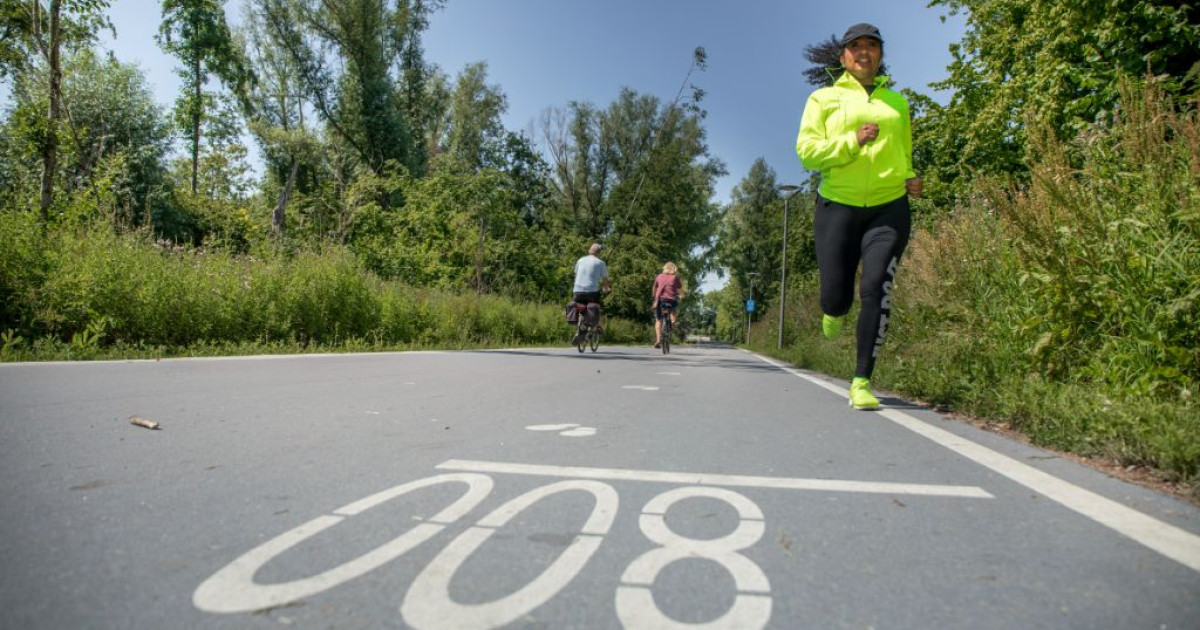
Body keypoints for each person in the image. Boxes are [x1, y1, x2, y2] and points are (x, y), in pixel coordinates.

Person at [795, 22, 922, 410]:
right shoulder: (823, 99)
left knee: (875, 288)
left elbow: (903, 152)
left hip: (888, 208)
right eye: (856, 47)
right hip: (838, 206)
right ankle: (833, 311)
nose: (864, 52)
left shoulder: (897, 103)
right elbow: (808, 153)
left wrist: (909, 178)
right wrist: (852, 141)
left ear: (880, 55)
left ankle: (862, 380)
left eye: (872, 46)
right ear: (843, 57)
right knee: (837, 297)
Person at [571, 243, 611, 343]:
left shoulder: (580, 260)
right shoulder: (601, 263)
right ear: (598, 253)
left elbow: (576, 276)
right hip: (592, 292)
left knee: (581, 306)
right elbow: (605, 280)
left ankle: (581, 327)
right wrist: (607, 289)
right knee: (595, 307)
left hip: (577, 291)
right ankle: (595, 325)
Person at [651, 262, 684, 348]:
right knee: (674, 313)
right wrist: (681, 296)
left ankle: (658, 340)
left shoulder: (659, 276)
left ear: (664, 268)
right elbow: (680, 290)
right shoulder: (675, 278)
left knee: (658, 320)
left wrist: (655, 296)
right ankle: (671, 324)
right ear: (674, 269)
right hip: (671, 300)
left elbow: (654, 287)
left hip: (660, 300)